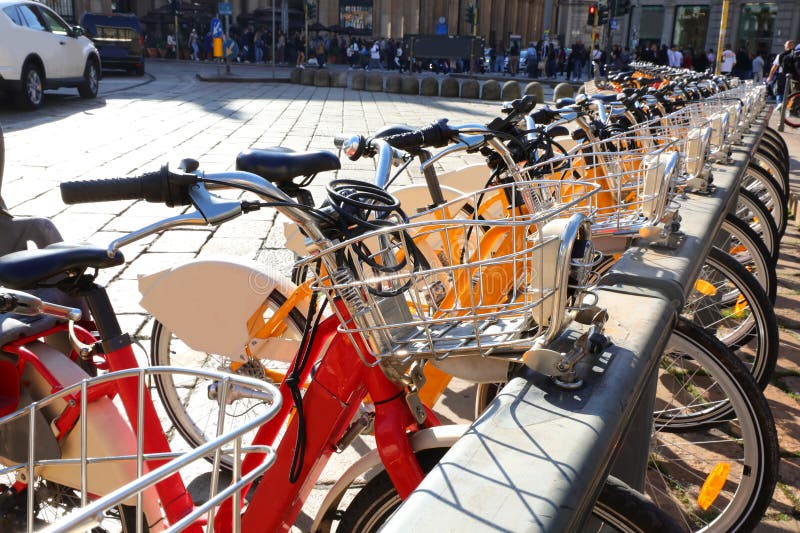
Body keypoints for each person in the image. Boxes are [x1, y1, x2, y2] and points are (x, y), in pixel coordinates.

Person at [767, 40, 796, 106]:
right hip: (794, 76)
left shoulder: (781, 55)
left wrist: (770, 77)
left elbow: (774, 67)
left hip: (782, 75)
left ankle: (779, 105)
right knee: (791, 92)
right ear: (793, 46)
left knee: (779, 92)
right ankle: (788, 106)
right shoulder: (796, 54)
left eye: (785, 45)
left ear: (786, 46)